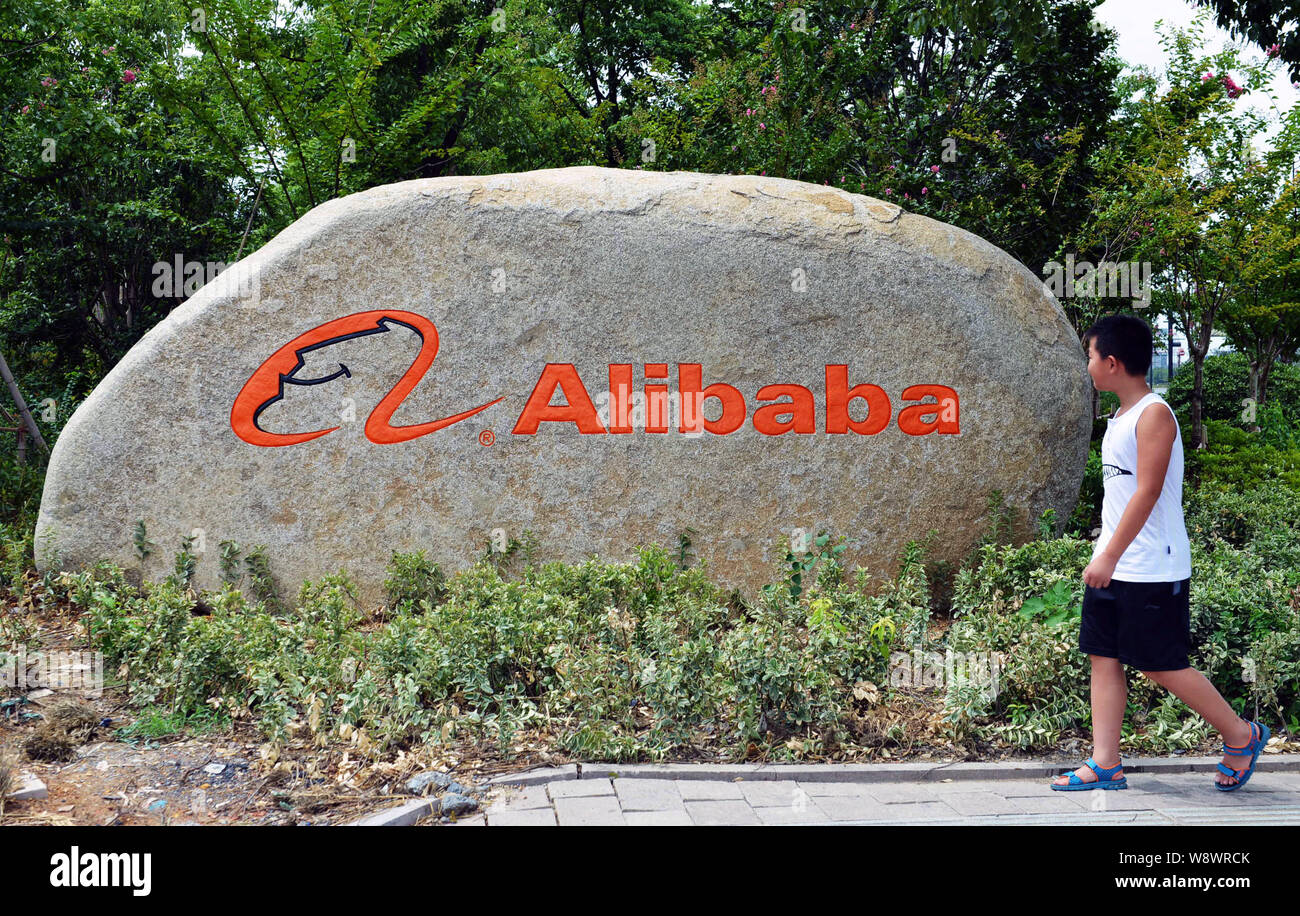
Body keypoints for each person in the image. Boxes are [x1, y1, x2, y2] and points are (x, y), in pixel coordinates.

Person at [1050, 314, 1269, 792]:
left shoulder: (1155, 415)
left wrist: (1107, 555)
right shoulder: (1118, 418)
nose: (1087, 365)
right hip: (1117, 560)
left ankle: (1240, 734)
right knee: (1103, 657)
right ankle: (1105, 762)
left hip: (1151, 564)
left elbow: (1147, 492)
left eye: (1090, 356)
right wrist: (1104, 550)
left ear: (1111, 362)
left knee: (1159, 663)